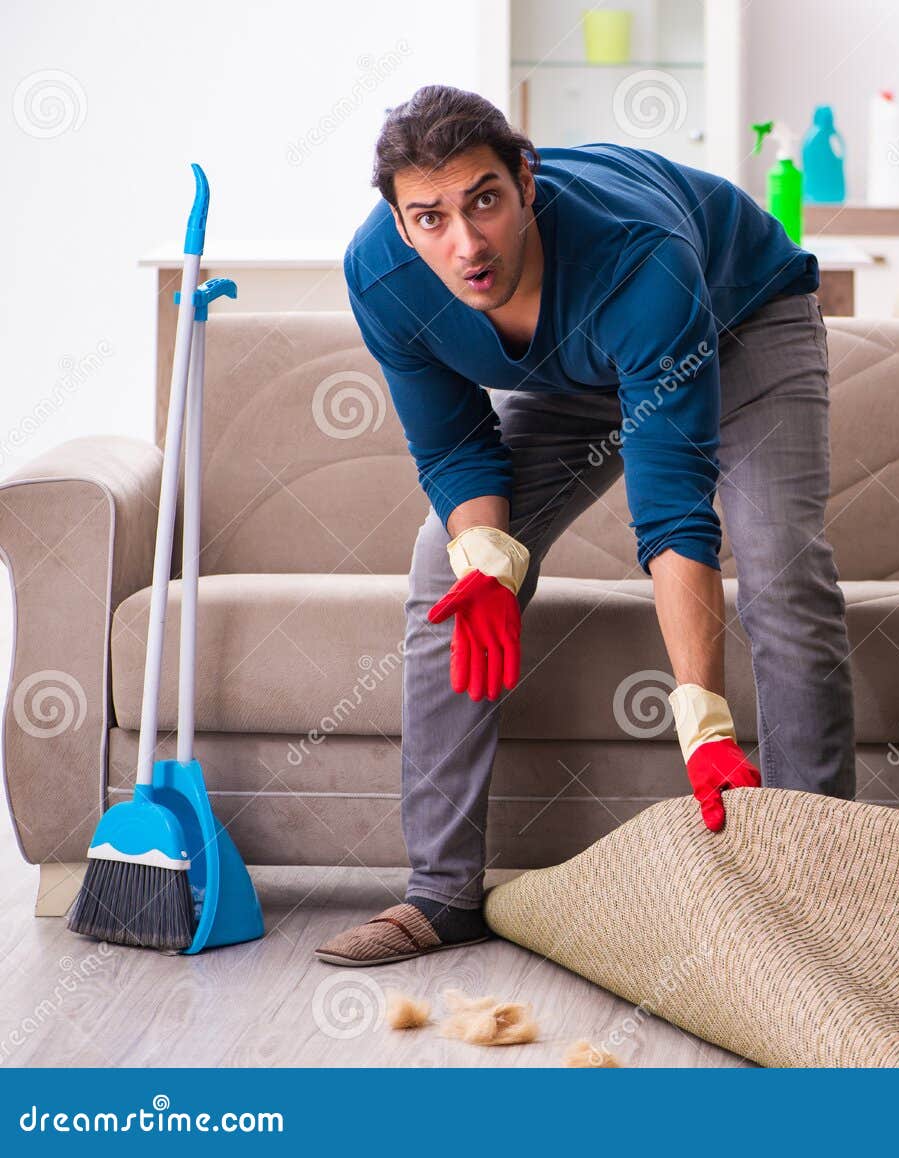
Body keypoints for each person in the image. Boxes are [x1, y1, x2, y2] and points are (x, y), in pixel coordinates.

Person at [313, 85, 855, 966]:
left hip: (740, 321)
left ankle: (815, 887)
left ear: (525, 181)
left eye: (485, 200)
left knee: (779, 562)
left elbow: (673, 510)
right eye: (431, 218)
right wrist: (488, 564)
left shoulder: (638, 259)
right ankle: (442, 894)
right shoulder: (382, 277)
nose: (466, 243)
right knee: (447, 570)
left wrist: (704, 726)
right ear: (401, 226)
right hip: (583, 371)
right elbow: (455, 447)